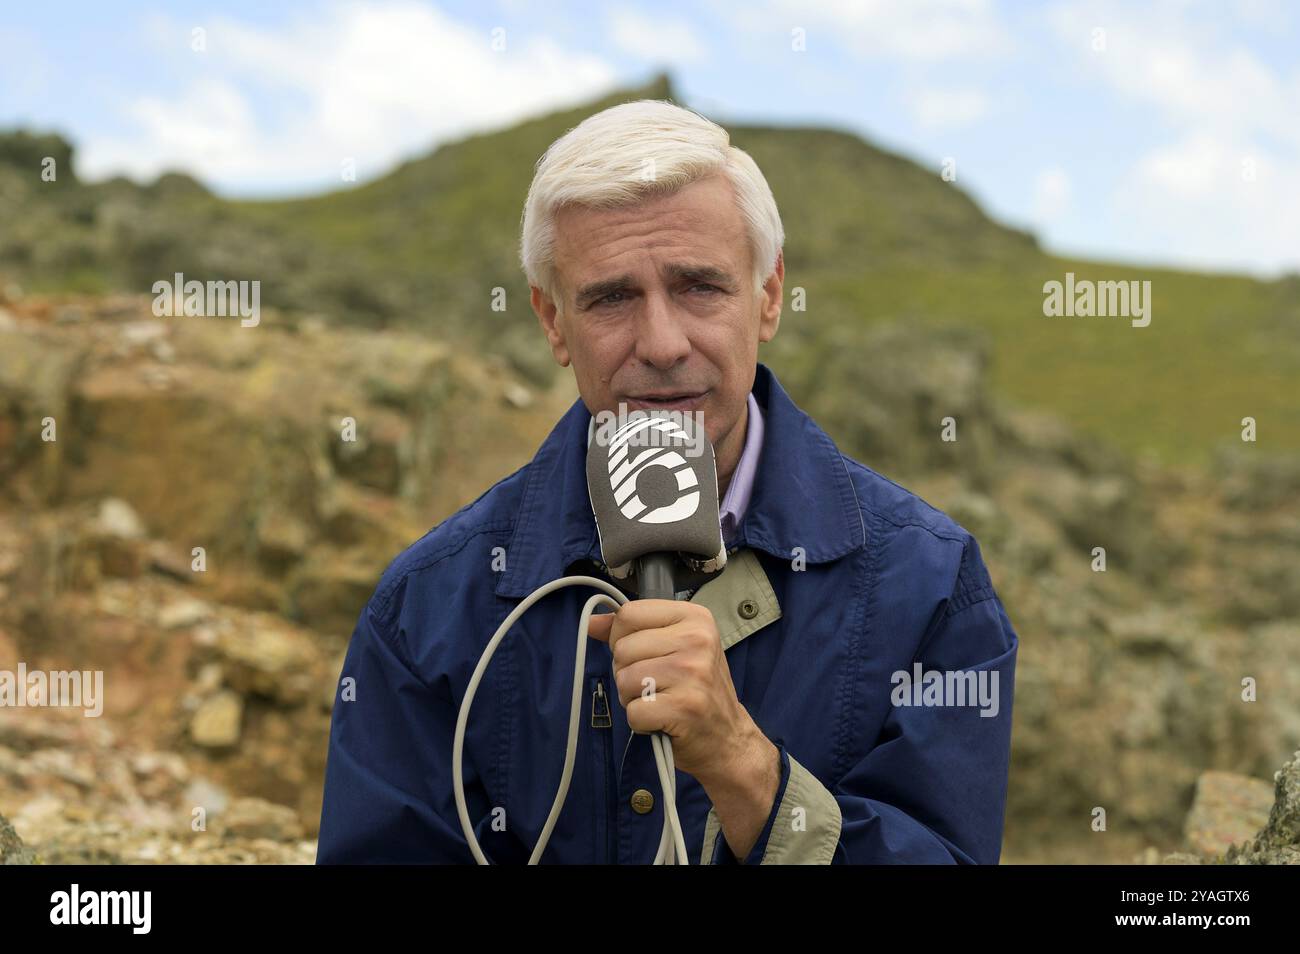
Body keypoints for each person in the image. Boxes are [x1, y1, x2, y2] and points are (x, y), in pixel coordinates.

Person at [316, 100, 1018, 864]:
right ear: (553, 322)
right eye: (611, 298)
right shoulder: (426, 610)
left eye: (699, 287)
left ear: (769, 294)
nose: (661, 343)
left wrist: (744, 766)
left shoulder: (933, 587)